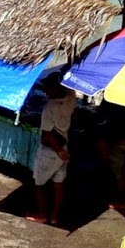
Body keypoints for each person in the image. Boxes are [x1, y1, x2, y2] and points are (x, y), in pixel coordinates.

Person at [29, 83, 76, 225]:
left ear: (56, 88)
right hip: (64, 149)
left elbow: (47, 136)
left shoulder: (49, 108)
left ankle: (42, 215)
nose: (46, 90)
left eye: (49, 87)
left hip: (50, 152)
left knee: (39, 184)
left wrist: (58, 150)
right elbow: (71, 89)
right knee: (58, 184)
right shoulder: (70, 100)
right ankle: (54, 216)